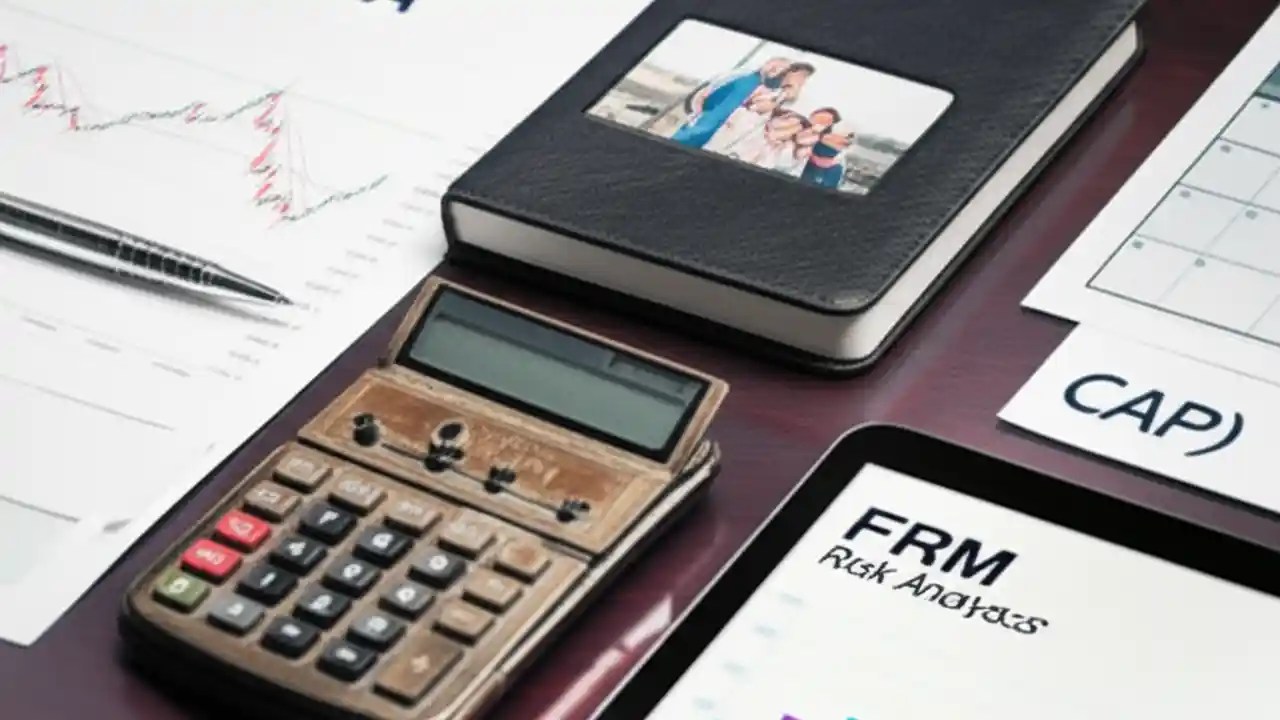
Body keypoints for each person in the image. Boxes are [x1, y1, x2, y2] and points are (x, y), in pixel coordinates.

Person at [670, 59, 813, 148]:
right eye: (800, 76)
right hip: (702, 123)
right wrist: (696, 109)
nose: (801, 81)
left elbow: (781, 103)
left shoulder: (776, 94)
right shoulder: (745, 75)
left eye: (803, 79)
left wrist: (791, 89)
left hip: (723, 136)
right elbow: (709, 88)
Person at [731, 109, 810, 168]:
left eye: (790, 128)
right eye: (786, 119)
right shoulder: (749, 119)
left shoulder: (779, 152)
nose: (785, 126)